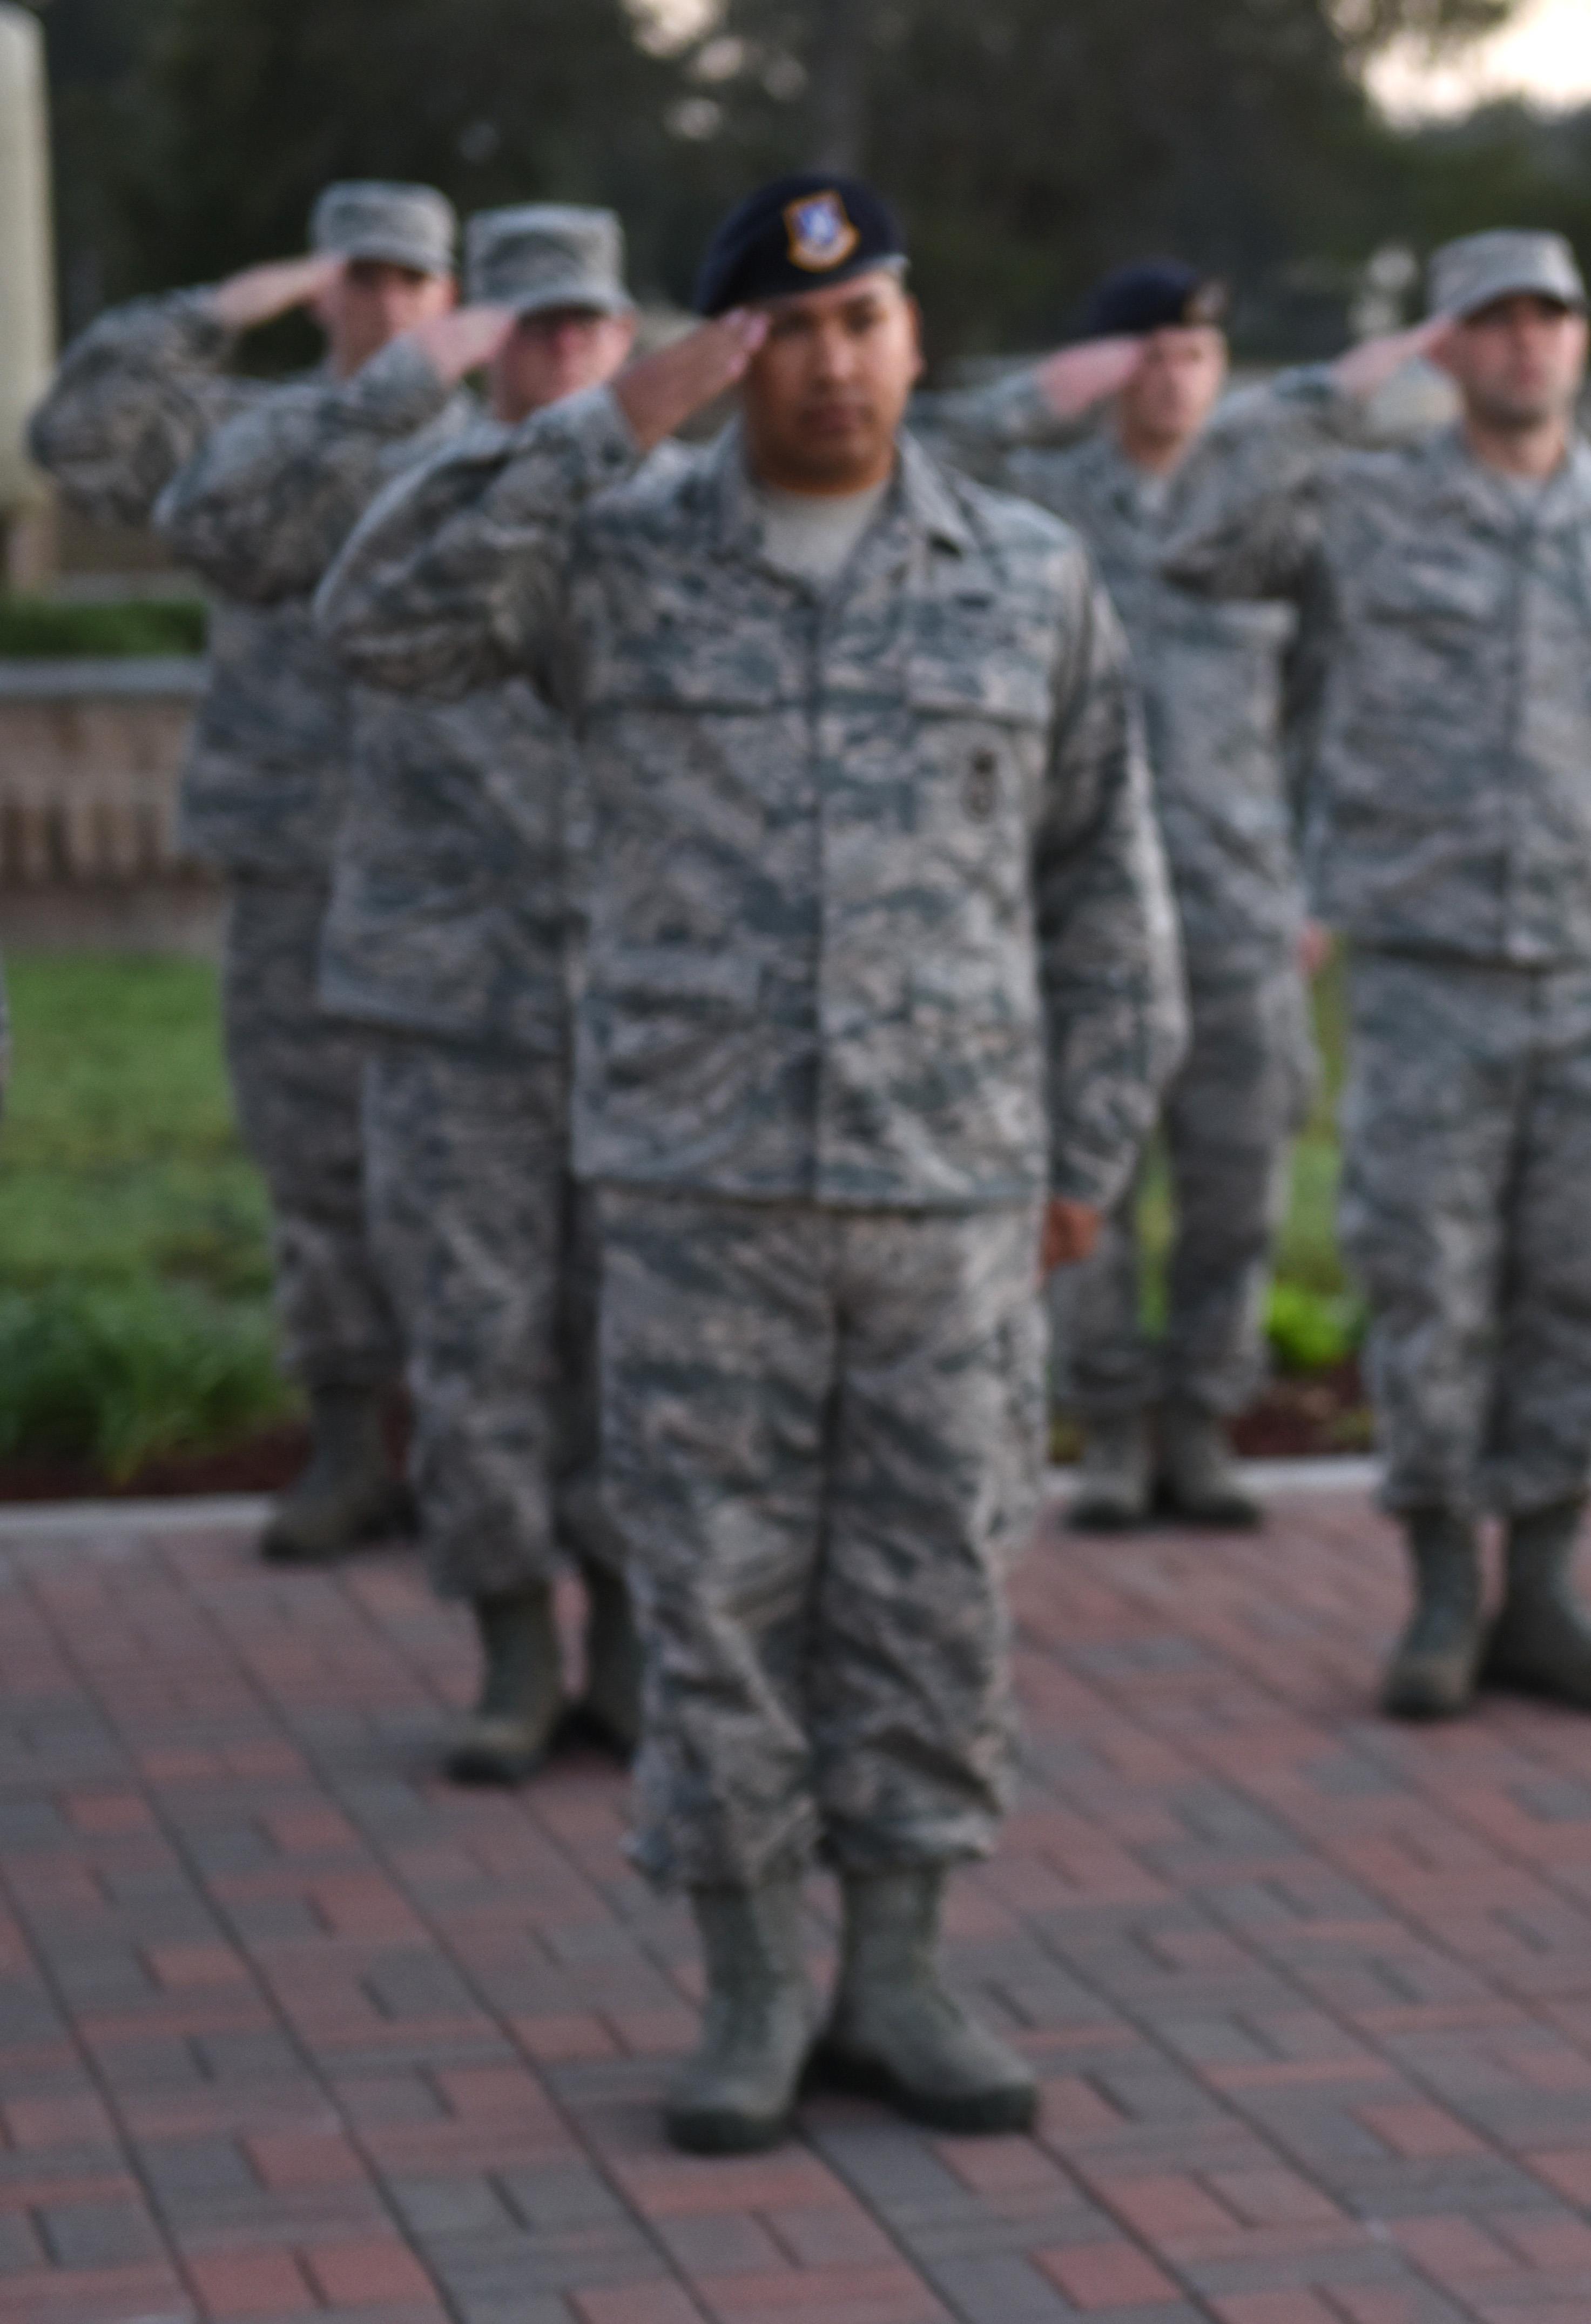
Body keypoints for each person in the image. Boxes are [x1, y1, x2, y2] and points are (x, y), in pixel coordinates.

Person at [317, 173, 1179, 2153]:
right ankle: (746, 1982)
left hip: (948, 1189)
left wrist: (1087, 1147)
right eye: (785, 329)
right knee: (710, 1595)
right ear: (729, 351)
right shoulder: (611, 556)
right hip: (697, 1192)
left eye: (864, 317)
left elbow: (1103, 886)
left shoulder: (1024, 572)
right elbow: (375, 614)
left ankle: (897, 1966)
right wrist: (606, 417)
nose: (831, 359)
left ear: (917, 336)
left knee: (936, 1588)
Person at [1162, 230, 1591, 1724]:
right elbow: (1192, 539)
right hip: (1423, 972)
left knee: (1581, 1287)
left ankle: (1538, 1579)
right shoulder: (1359, 501)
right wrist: (1326, 396)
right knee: (1424, 1287)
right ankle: (1438, 1587)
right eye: (1491, 321)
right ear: (1444, 348)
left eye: (1549, 317)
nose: (1526, 343)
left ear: (1580, 342)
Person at [167, 206, 645, 1784]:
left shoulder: (684, 503)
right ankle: (511, 1646)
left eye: (589, 321)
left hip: (649, 1002)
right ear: (475, 336)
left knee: (635, 1340)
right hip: (453, 1002)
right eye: (530, 321)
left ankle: (633, 1645)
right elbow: (209, 512)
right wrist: (388, 384)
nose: (563, 346)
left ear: (628, 337)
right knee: (475, 1335)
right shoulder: (385, 493)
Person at [24, 181, 461, 1565]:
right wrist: (227, 304)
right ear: (326, 289)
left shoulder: (507, 446)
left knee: (473, 1175)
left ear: (450, 299)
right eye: (361, 279)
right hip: (294, 860)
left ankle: (472, 1454)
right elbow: (71, 434)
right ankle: (346, 1449)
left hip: (465, 874)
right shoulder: (248, 439)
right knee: (310, 1161)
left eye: (411, 280)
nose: (386, 304)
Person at [910, 260, 1317, 1531]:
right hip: (1076, 913)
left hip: (1239, 910)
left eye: (1196, 351)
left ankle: (1202, 1418)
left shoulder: (1266, 515)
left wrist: (1318, 878)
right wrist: (1046, 392)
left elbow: (1339, 707)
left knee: (1238, 1181)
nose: (1175, 374)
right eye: (1146, 351)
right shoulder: (1034, 497)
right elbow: (916, 445)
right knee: (1088, 1180)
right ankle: (1113, 1428)